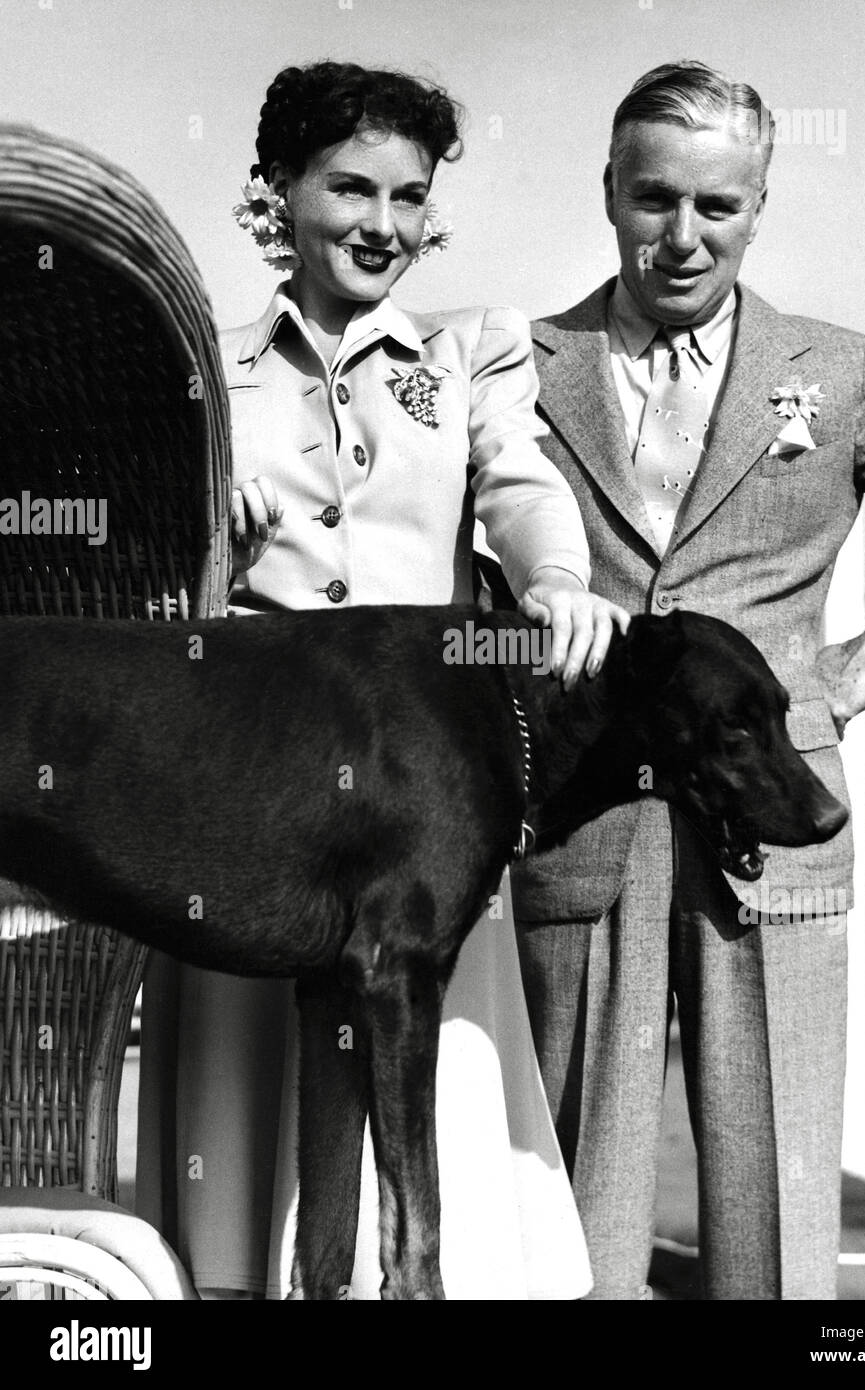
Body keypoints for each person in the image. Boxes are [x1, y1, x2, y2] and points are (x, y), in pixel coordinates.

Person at [137, 59, 627, 1300]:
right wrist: (201, 525)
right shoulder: (198, 372)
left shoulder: (470, 351)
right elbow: (154, 605)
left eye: (408, 198)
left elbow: (516, 484)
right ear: (275, 193)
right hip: (253, 810)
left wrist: (557, 579)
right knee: (244, 1118)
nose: (383, 225)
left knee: (433, 1075)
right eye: (349, 187)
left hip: (421, 808)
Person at [511, 59, 865, 1301]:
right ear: (608, 192)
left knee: (775, 1218)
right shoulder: (517, 369)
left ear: (759, 204)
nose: (681, 238)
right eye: (652, 198)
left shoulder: (837, 374)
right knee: (570, 1214)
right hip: (581, 826)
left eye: (716, 208)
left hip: (777, 827)